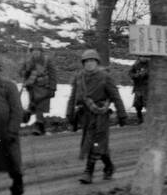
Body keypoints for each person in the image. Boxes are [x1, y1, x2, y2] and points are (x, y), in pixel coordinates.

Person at [67, 48, 126, 183]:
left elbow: (115, 96)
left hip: (100, 116)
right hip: (85, 116)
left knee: (94, 142)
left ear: (97, 62)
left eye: (92, 61)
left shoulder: (105, 77)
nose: (89, 63)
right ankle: (109, 166)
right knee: (97, 144)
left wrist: (122, 114)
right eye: (86, 61)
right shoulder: (79, 78)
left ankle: (88, 172)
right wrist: (69, 114)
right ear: (83, 63)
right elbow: (72, 98)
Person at [0, 56, 25, 195]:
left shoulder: (9, 87)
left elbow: (17, 110)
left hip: (6, 132)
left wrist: (12, 130)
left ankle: (17, 186)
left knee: (13, 162)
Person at [19, 45, 56, 135]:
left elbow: (53, 74)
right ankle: (40, 126)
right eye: (33, 51)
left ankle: (38, 126)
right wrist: (26, 71)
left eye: (37, 50)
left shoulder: (47, 60)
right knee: (35, 106)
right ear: (31, 52)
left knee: (40, 106)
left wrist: (53, 88)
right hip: (32, 88)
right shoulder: (28, 62)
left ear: (41, 51)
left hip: (44, 87)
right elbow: (21, 72)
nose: (35, 52)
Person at [129, 56, 149, 124]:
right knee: (137, 104)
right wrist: (136, 75)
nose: (143, 58)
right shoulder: (136, 64)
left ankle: (149, 119)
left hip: (147, 87)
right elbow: (130, 73)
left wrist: (145, 74)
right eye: (141, 56)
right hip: (138, 87)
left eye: (144, 56)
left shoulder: (150, 64)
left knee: (147, 104)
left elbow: (153, 73)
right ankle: (140, 119)